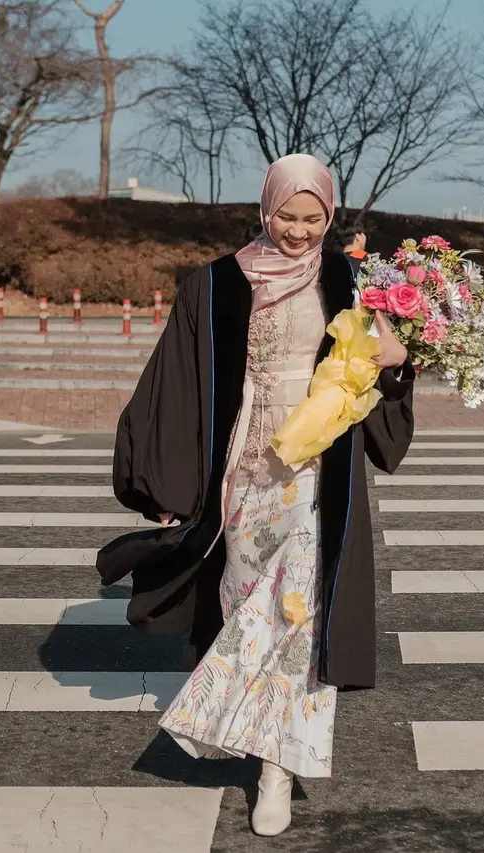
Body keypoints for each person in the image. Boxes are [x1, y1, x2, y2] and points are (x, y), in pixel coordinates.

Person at [96, 153, 415, 837]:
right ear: (264, 210)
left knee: (297, 613)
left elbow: (385, 367)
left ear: (331, 217)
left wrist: (397, 366)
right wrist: (165, 481)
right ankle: (246, 729)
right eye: (286, 216)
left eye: (314, 219)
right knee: (244, 604)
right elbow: (178, 380)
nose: (299, 232)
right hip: (245, 466)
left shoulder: (351, 281)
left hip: (318, 469)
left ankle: (277, 766)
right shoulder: (215, 284)